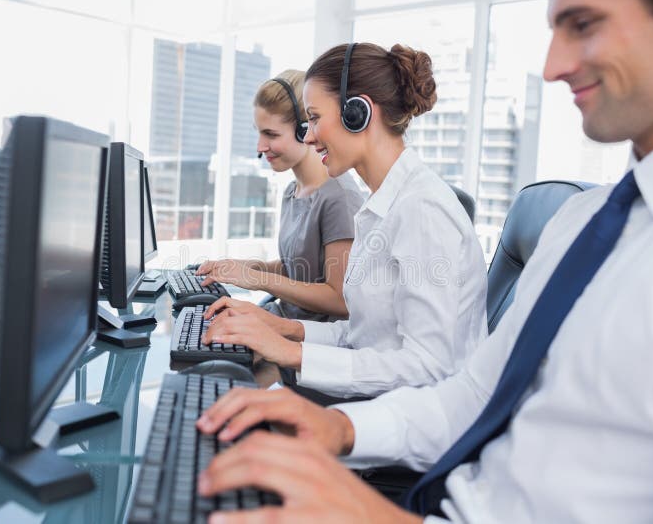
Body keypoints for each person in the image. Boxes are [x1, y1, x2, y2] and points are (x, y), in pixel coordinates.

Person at [194, 0, 653, 522]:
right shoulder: (581, 223)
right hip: (440, 481)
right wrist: (339, 425)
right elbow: (470, 390)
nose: (553, 66)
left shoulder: (425, 210)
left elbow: (430, 368)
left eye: (584, 24)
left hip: (421, 482)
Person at [202, 42, 489, 399]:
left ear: (359, 112)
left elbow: (428, 368)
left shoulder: (423, 210)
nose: (308, 136)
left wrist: (291, 352)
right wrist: (280, 327)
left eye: (316, 118)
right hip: (381, 404)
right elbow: (359, 335)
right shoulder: (380, 206)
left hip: (415, 422)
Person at [197, 70, 364, 323]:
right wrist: (238, 267)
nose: (260, 147)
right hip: (281, 321)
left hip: (308, 344)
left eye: (271, 134)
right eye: (259, 133)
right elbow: (297, 269)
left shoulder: (339, 197)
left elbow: (340, 300)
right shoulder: (292, 191)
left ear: (304, 130)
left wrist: (259, 280)